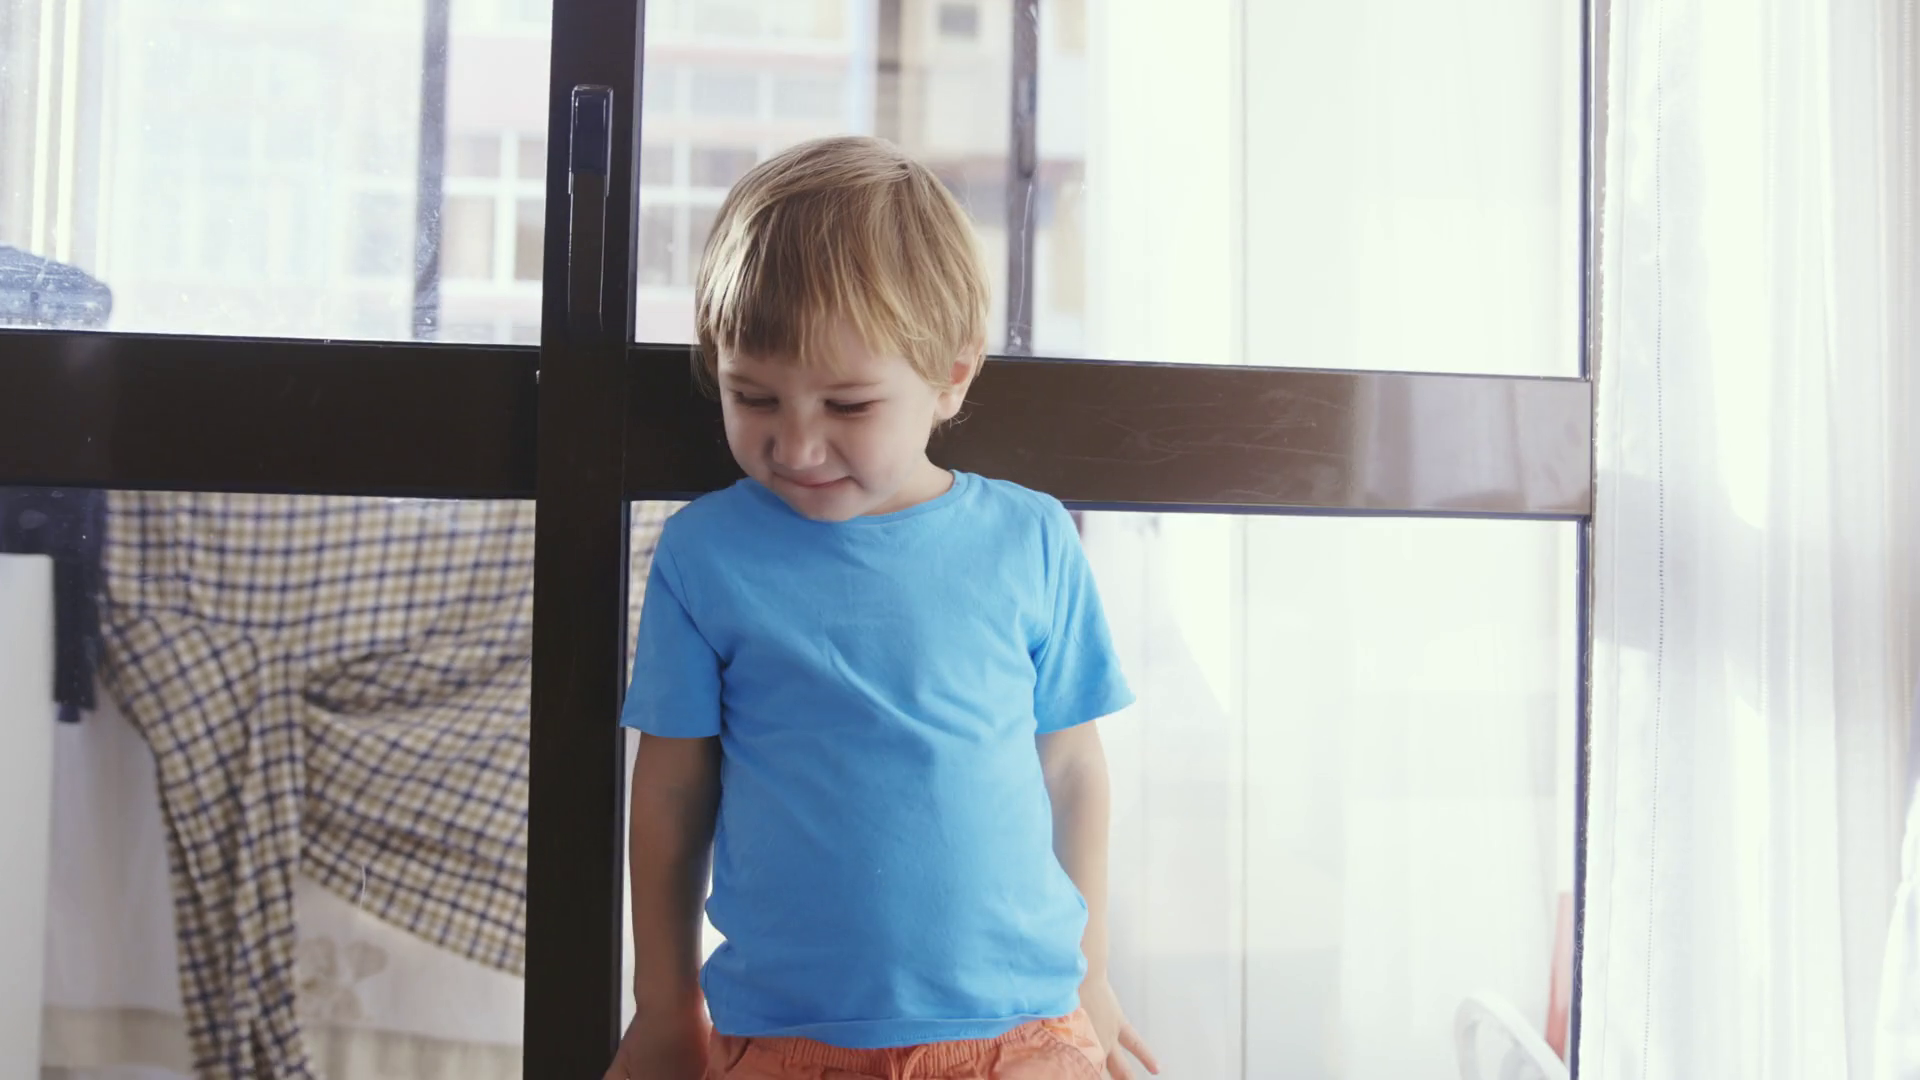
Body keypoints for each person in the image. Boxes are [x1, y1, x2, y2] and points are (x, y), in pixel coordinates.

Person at [604, 135, 1159, 1080]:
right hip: (784, 1043)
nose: (797, 443)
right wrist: (664, 1006)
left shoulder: (1030, 541)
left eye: (850, 405)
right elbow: (670, 788)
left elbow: (1071, 769)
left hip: (1025, 1036)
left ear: (952, 373)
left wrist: (1094, 975)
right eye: (754, 397)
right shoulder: (705, 555)